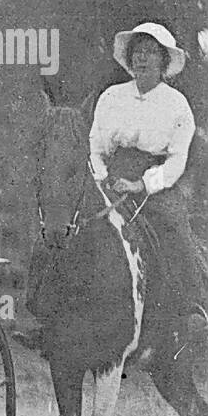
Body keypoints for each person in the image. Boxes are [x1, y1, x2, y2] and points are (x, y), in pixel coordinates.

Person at [89, 22, 207, 335]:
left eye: (150, 53)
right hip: (109, 181)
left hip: (155, 187)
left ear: (163, 61)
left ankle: (191, 307)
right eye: (137, 52)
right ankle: (50, 309)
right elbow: (95, 147)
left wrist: (144, 184)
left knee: (172, 224)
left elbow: (177, 159)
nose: (142, 59)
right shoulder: (111, 97)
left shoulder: (176, 104)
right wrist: (102, 179)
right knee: (65, 224)